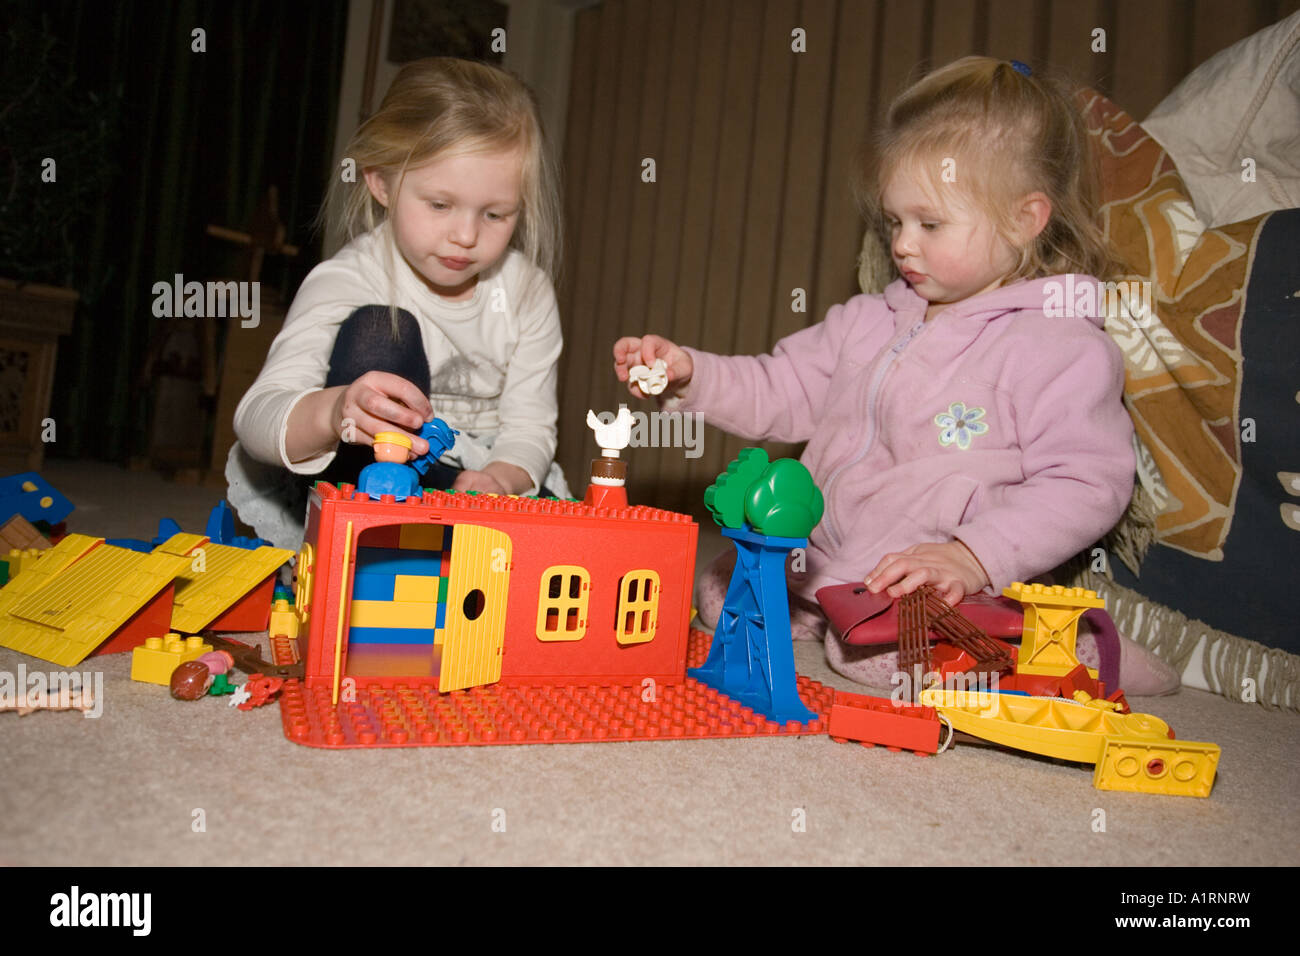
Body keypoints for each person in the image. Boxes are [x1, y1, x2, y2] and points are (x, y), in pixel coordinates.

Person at [613, 57, 1179, 694]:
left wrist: (973, 555)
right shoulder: (868, 319)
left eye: (930, 224)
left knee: (872, 659)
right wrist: (692, 376)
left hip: (935, 573)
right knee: (718, 595)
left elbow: (1086, 480)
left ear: (1026, 219)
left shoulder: (1060, 345)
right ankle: (827, 605)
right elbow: (783, 387)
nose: (903, 245)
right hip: (826, 554)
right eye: (894, 222)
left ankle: (1065, 644)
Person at [228, 58, 570, 550]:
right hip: (365, 475)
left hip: (471, 486)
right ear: (381, 182)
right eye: (439, 205)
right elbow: (257, 415)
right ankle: (366, 544)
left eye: (495, 214)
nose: (466, 236)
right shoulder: (348, 278)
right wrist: (334, 412)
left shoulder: (527, 291)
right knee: (380, 329)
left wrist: (499, 478)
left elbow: (531, 426)